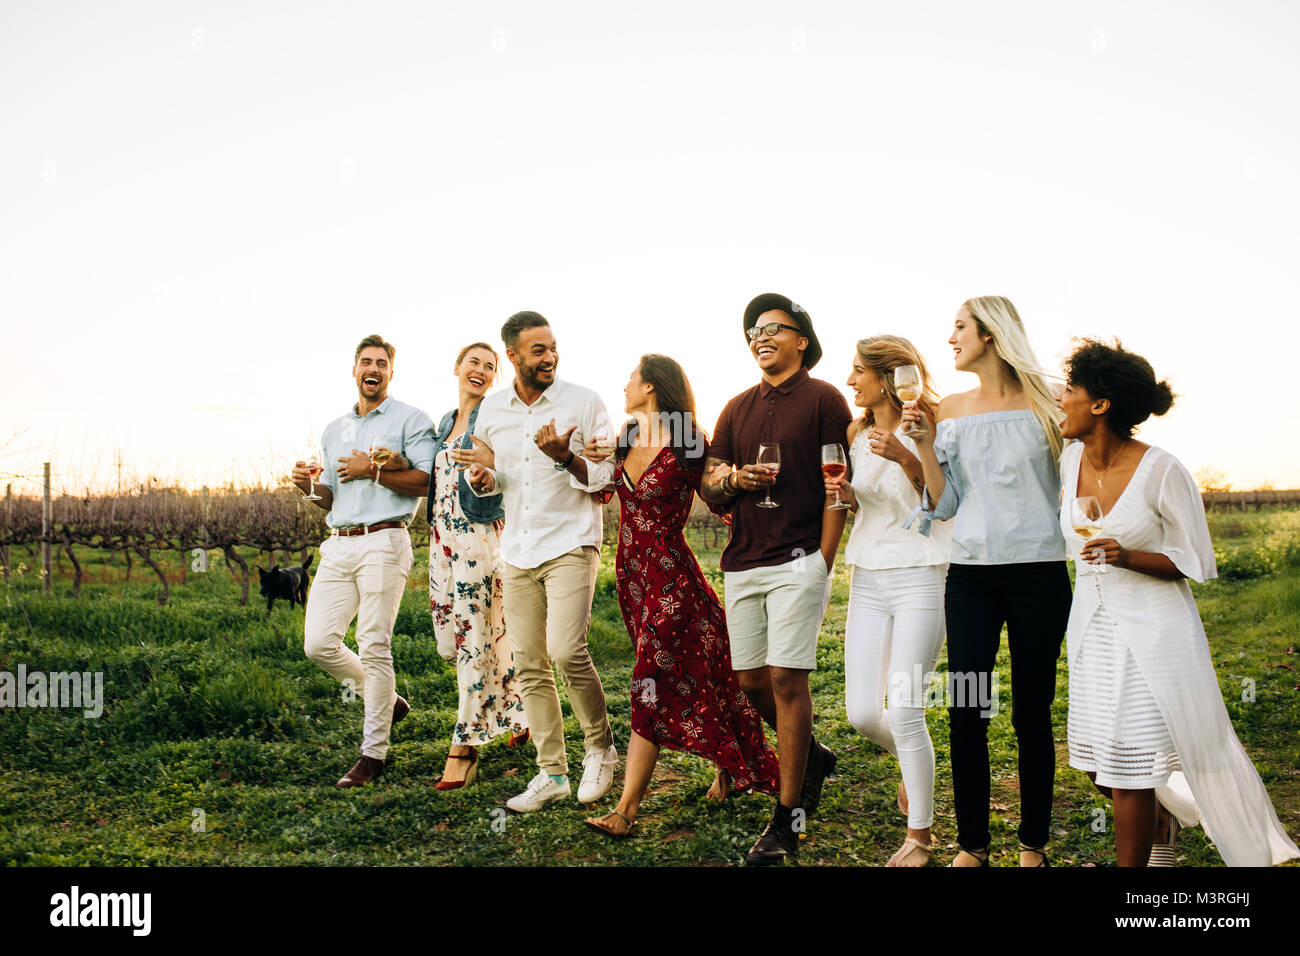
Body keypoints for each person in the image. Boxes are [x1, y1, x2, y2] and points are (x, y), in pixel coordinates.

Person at [1057, 339, 1299, 867]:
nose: (1061, 398)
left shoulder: (1163, 470)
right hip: (1091, 631)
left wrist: (1128, 555)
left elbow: (1195, 561)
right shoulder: (1068, 460)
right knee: (1100, 766)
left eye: (1071, 389)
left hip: (1154, 635)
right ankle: (1163, 825)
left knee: (1128, 773)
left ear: (1101, 404)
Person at [580, 355, 780, 838]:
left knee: (648, 680)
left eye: (631, 378)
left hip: (671, 579)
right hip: (631, 579)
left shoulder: (689, 438)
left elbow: (716, 497)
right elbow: (605, 491)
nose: (624, 385)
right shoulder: (627, 436)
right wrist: (579, 457)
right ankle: (726, 765)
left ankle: (626, 809)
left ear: (650, 387)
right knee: (707, 673)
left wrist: (739, 482)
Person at [903, 297, 1071, 867]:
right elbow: (945, 503)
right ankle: (973, 845)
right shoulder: (948, 408)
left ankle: (1033, 846)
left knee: (1031, 712)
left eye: (959, 328)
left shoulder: (1050, 407)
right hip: (971, 578)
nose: (950, 338)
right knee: (966, 710)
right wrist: (925, 444)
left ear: (992, 335)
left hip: (1039, 575)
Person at [698, 292, 853, 865]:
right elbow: (710, 484)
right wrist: (736, 478)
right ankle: (811, 754)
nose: (760, 336)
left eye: (773, 328)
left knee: (788, 678)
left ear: (801, 340)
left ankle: (788, 819)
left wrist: (824, 558)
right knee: (751, 683)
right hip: (742, 560)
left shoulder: (824, 400)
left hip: (798, 557)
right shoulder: (736, 408)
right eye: (753, 331)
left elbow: (838, 481)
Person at [465, 311, 618, 812]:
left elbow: (604, 482)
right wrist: (482, 480)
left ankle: (600, 749)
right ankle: (551, 771)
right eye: (537, 350)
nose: (549, 357)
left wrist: (563, 456)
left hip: (571, 543)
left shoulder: (584, 402)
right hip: (518, 549)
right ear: (512, 355)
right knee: (529, 663)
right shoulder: (491, 409)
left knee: (566, 651)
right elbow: (482, 466)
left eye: (552, 347)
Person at [824, 335, 951, 867]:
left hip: (923, 573)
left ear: (886, 378)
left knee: (904, 708)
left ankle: (919, 835)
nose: (850, 381)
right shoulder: (856, 432)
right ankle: (917, 761)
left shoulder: (928, 426)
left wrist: (907, 456)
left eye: (858, 372)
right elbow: (875, 508)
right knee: (860, 713)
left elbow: (941, 503)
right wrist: (850, 499)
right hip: (870, 574)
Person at [290, 334, 436, 787]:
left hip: (384, 540)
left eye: (381, 363)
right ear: (354, 370)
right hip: (339, 543)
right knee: (318, 644)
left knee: (374, 643)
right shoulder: (334, 429)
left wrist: (374, 470)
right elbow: (333, 496)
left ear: (391, 372)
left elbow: (427, 482)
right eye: (365, 362)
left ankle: (373, 753)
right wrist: (306, 487)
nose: (373, 369)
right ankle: (387, 699)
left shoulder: (412, 420)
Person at [422, 341, 528, 790]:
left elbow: (514, 468)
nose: (481, 371)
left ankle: (464, 746)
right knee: (454, 638)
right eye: (474, 363)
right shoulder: (446, 422)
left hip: (478, 537)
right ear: (457, 368)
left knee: (472, 638)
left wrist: (490, 476)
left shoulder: (498, 418)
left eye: (490, 366)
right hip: (441, 539)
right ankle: (518, 708)